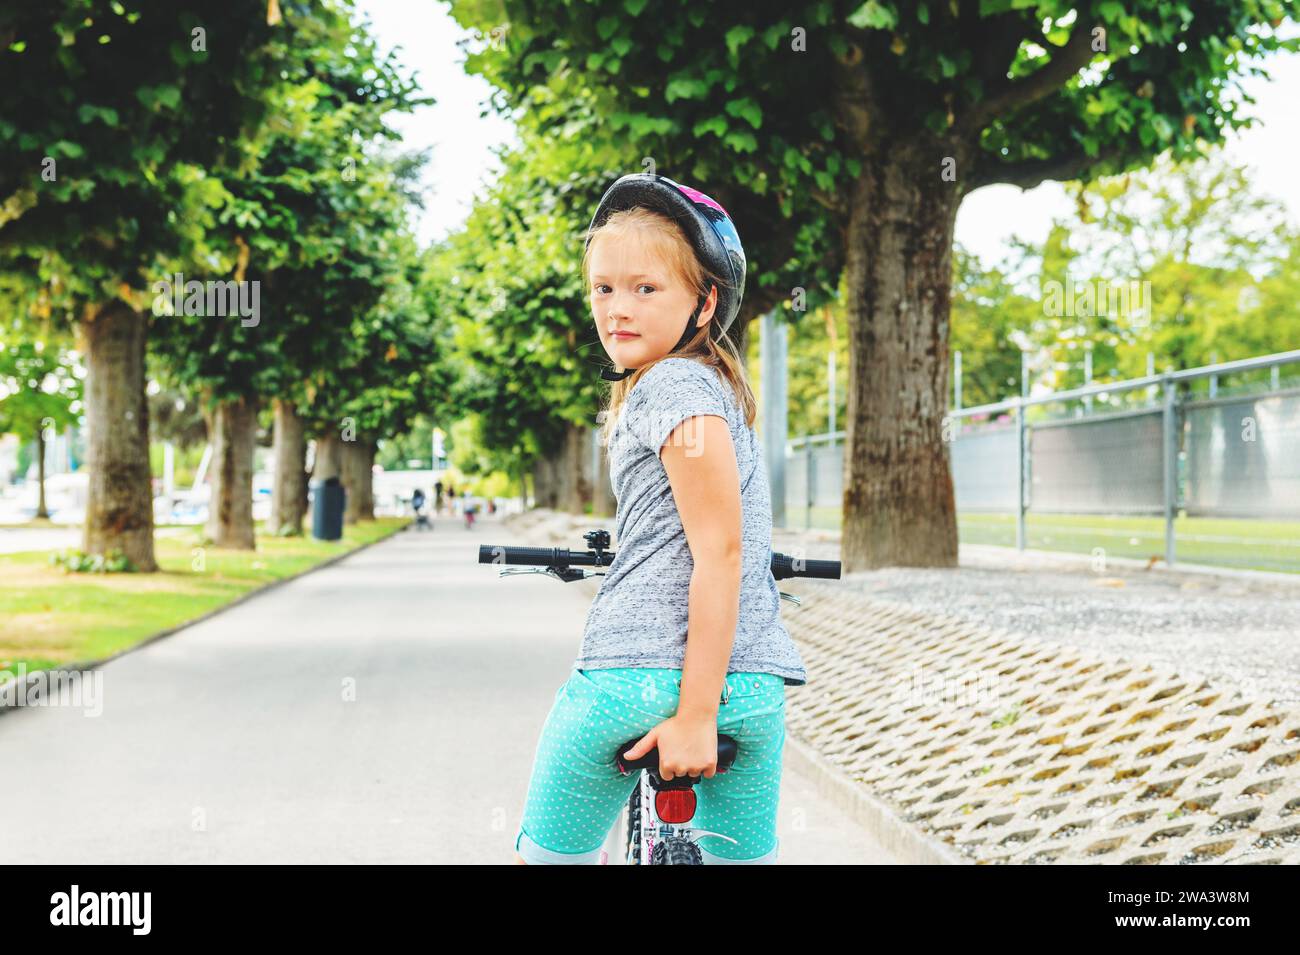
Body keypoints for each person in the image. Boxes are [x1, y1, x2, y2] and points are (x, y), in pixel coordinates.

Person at [513, 174, 806, 866]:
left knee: (547, 861)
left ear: (705, 303)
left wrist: (697, 713)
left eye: (646, 289)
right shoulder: (711, 388)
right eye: (603, 289)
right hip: (754, 690)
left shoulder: (671, 385)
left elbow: (721, 551)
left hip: (634, 683)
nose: (617, 308)